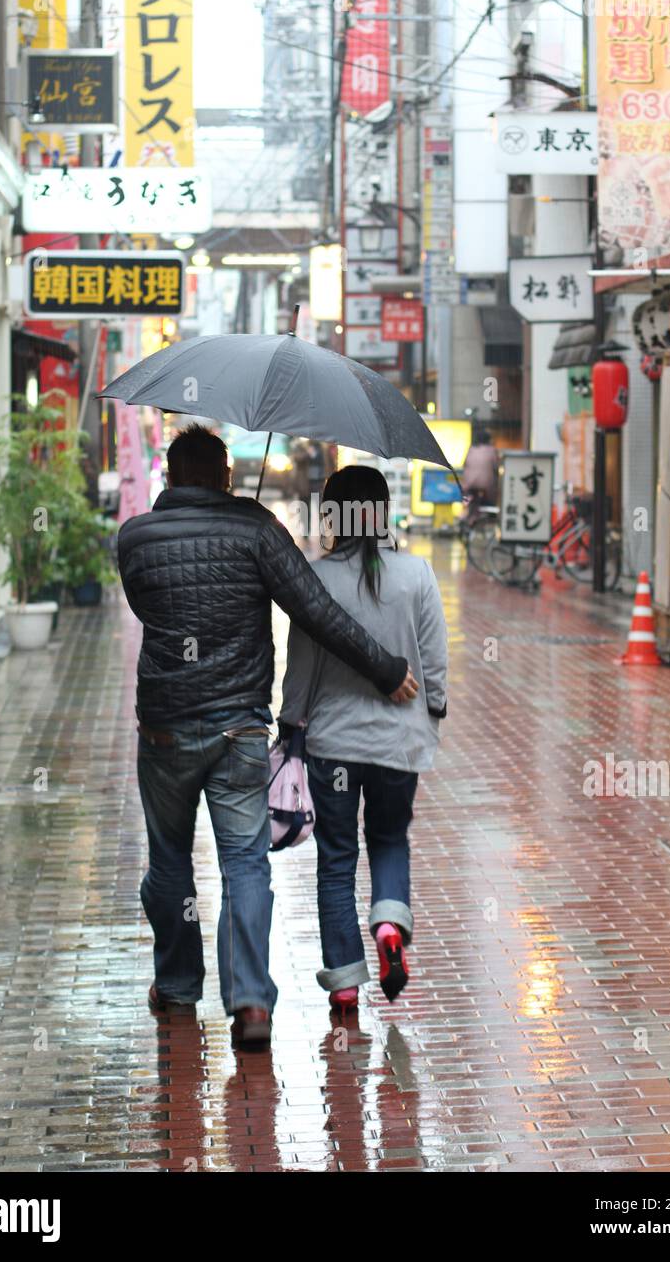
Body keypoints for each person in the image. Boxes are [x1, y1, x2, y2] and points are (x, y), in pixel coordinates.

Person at [117, 425, 419, 1048]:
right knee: (245, 864)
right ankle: (251, 1003)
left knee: (169, 861)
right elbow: (316, 612)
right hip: (239, 731)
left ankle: (176, 985)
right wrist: (387, 668)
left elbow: (151, 609)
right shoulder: (255, 529)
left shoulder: (135, 538)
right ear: (225, 476)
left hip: (166, 730)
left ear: (170, 477)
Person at [279, 466, 448, 1012]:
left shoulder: (315, 579)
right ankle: (389, 926)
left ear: (332, 516)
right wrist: (434, 710)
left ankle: (347, 984)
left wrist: (290, 725)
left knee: (336, 858)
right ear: (384, 513)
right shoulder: (417, 574)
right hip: (399, 745)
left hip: (334, 745)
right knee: (390, 838)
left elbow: (300, 668)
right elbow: (434, 660)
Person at [461, 429, 499, 525]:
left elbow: (464, 464)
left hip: (469, 485)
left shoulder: (471, 450)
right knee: (491, 501)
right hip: (486, 485)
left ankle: (469, 518)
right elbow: (496, 467)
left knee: (470, 501)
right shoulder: (492, 451)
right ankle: (490, 520)